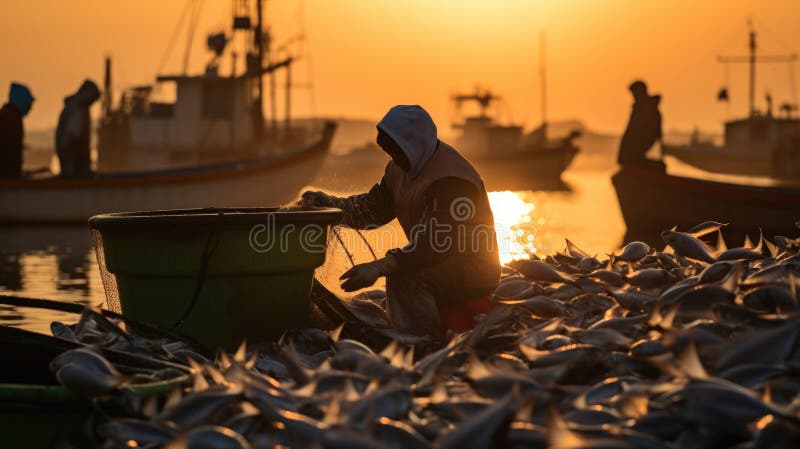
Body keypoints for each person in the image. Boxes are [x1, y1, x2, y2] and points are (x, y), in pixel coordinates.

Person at [302, 105, 500, 339]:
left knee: (405, 275)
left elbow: (435, 245)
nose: (393, 158)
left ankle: (422, 339)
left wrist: (379, 267)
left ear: (414, 144)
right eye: (390, 152)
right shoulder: (401, 167)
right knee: (402, 269)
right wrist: (332, 205)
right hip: (437, 260)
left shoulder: (452, 181)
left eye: (397, 151)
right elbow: (374, 209)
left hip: (473, 269)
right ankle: (409, 330)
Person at [56, 79, 101, 178]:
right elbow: (73, 138)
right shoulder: (77, 110)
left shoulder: (76, 107)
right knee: (71, 181)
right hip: (72, 158)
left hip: (72, 157)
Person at [618, 80, 664, 171]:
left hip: (635, 154)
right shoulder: (640, 109)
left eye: (635, 93)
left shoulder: (648, 110)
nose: (634, 97)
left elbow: (653, 135)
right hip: (631, 157)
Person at [0, 83, 34, 178]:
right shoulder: (10, 119)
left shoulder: (9, 116)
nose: (30, 107)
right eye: (29, 103)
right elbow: (9, 152)